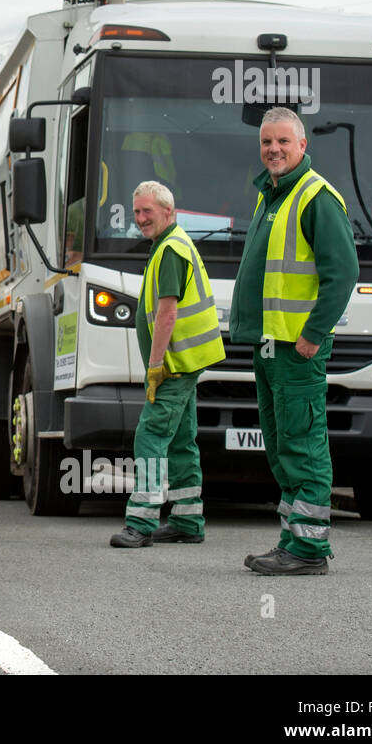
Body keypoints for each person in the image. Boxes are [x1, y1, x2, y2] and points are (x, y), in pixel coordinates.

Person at [231, 107, 358, 575]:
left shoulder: (315, 197)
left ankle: (307, 552)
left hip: (295, 349)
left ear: (302, 146)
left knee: (303, 446)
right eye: (267, 142)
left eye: (283, 141)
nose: (274, 149)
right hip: (270, 347)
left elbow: (342, 274)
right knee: (283, 446)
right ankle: (293, 542)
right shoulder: (272, 195)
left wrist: (311, 335)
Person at [110, 181, 225, 548]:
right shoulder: (169, 245)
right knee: (180, 438)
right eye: (137, 212)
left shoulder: (171, 249)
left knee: (151, 434)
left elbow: (167, 313)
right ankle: (188, 519)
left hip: (174, 363)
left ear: (168, 212)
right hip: (186, 359)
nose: (141, 219)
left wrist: (156, 365)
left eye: (148, 212)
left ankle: (141, 522)